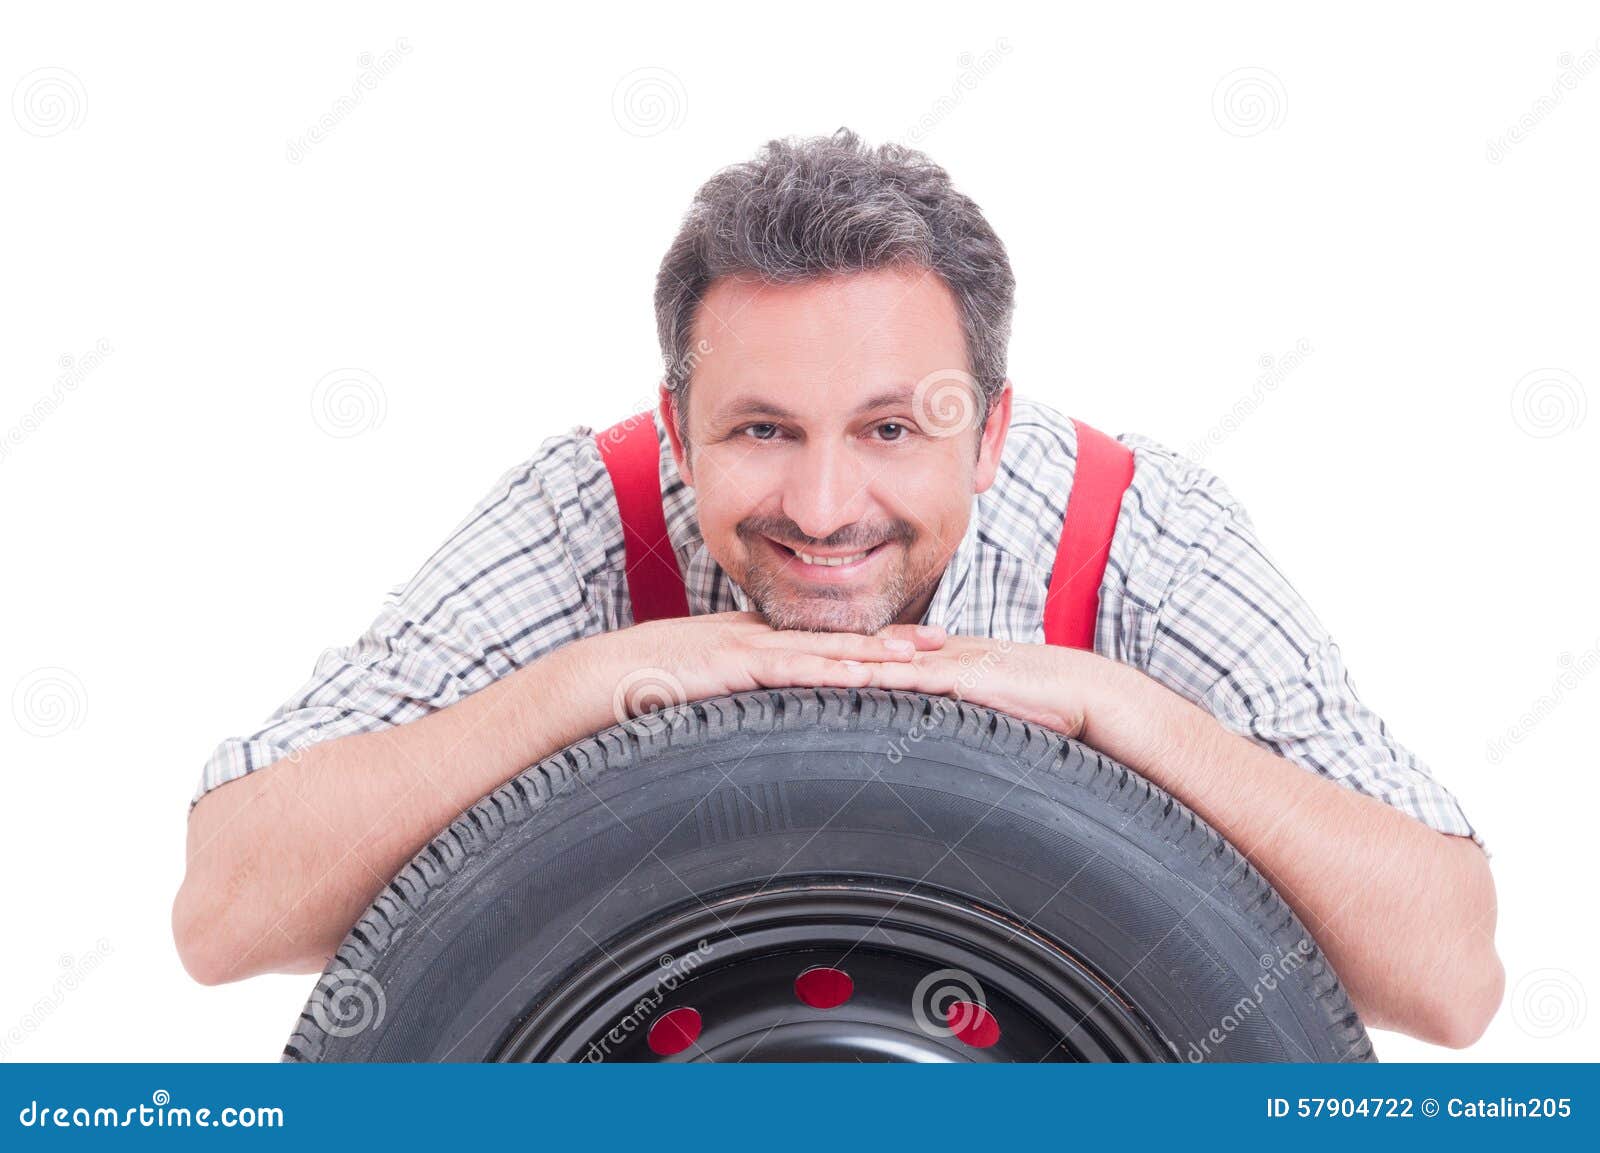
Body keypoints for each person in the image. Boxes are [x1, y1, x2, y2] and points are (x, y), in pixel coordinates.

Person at [172, 128, 1501, 1048]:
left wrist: (1119, 713)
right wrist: (581, 689)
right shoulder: (587, 514)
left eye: (888, 429)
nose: (820, 511)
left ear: (988, 430)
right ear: (678, 425)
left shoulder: (1137, 532)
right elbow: (226, 910)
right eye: (761, 431)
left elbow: (1451, 978)